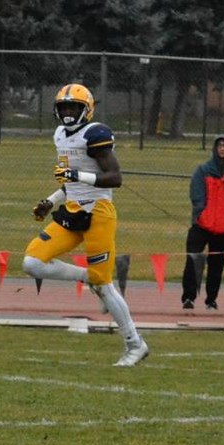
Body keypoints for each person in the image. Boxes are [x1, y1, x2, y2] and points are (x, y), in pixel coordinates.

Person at [23, 83, 149, 367]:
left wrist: (75, 174)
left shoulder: (95, 133)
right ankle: (87, 276)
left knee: (104, 285)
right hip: (72, 211)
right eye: (64, 107)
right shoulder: (59, 135)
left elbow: (115, 177)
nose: (68, 112)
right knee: (32, 262)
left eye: (74, 107)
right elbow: (70, 182)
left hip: (98, 213)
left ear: (86, 109)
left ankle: (135, 344)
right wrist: (50, 200)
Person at [180, 135, 224, 310]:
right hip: (201, 226)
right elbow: (196, 194)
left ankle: (211, 299)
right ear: (215, 149)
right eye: (219, 146)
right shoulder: (203, 170)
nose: (222, 149)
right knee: (192, 261)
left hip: (223, 228)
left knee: (217, 266)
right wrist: (201, 213)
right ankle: (189, 297)